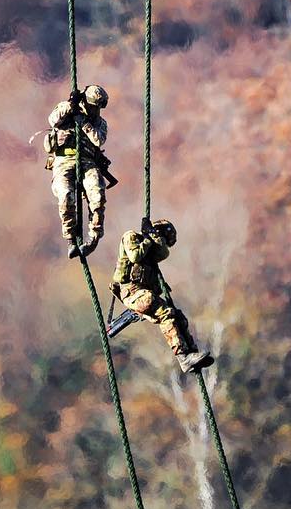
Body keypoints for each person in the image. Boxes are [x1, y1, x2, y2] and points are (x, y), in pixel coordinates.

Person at [110, 219, 214, 374]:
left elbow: (163, 252)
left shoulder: (152, 250)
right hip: (132, 292)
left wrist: (153, 237)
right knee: (166, 314)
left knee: (178, 317)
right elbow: (135, 257)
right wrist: (147, 238)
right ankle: (183, 358)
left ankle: (191, 352)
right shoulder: (131, 237)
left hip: (142, 293)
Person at [43, 84, 116, 257]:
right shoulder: (66, 109)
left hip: (88, 162)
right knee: (66, 195)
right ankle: (70, 238)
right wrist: (70, 106)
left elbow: (98, 140)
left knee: (98, 195)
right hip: (65, 160)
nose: (95, 111)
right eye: (93, 106)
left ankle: (94, 237)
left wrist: (83, 123)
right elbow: (52, 119)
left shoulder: (99, 122)